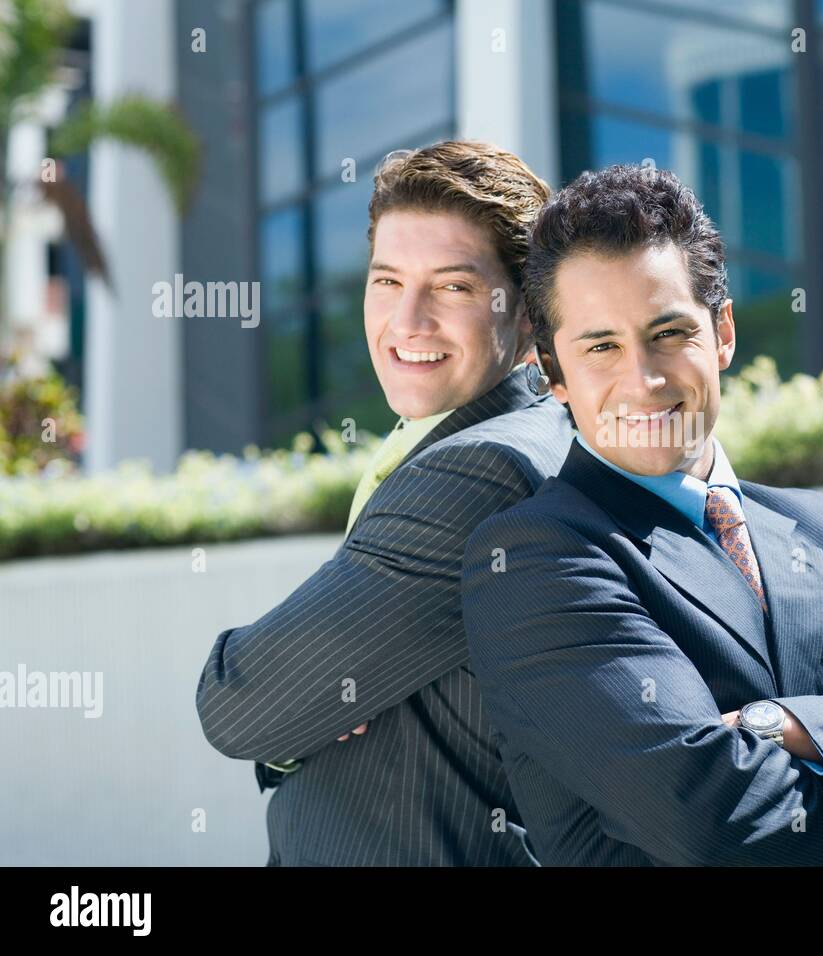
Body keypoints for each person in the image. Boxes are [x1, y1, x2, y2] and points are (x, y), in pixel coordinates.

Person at [461, 165, 823, 866]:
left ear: (722, 332)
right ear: (553, 371)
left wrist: (775, 724)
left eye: (669, 332)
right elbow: (705, 817)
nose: (645, 378)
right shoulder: (535, 557)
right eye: (601, 347)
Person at [196, 141, 570, 866]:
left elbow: (238, 701)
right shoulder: (459, 439)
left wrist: (290, 714)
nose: (407, 321)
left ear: (528, 313)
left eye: (452, 287)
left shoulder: (486, 468)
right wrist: (306, 715)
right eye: (387, 280)